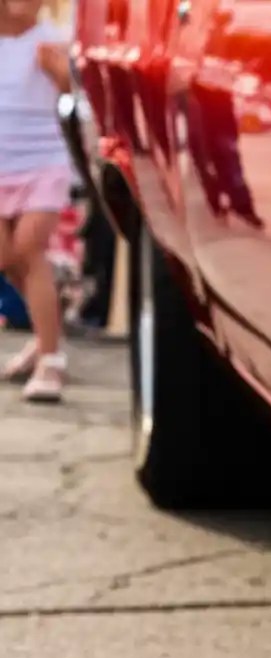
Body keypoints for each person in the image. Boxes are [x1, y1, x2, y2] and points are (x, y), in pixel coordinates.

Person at [0, 0, 72, 402]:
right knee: (8, 259)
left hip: (42, 162)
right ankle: (46, 331)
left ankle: (51, 359)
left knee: (29, 246)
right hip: (2, 163)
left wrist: (62, 74)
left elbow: (72, 92)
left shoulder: (49, 42)